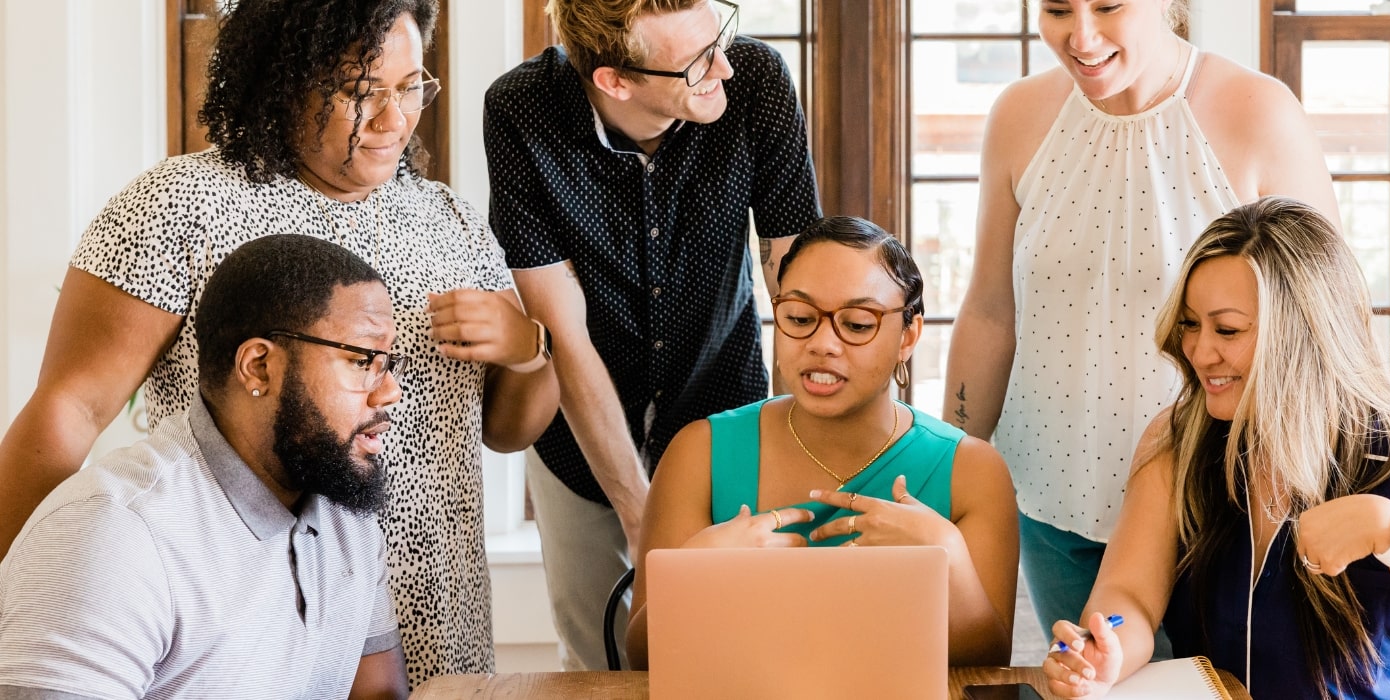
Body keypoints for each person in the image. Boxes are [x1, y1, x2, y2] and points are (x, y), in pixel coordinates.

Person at [0, 0, 558, 684]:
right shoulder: (178, 205)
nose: (395, 118)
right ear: (285, 76)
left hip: (435, 607)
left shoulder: (451, 221)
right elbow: (70, 409)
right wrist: (15, 591)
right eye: (361, 92)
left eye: (411, 86)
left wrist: (528, 348)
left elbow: (509, 430)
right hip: (253, 616)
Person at [941, 0, 1343, 645]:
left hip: (1215, 504)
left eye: (1108, 6)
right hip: (1051, 502)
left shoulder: (1257, 112)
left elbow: (1328, 320)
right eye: (1056, 10)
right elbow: (991, 309)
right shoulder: (1018, 116)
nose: (1082, 35)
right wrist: (951, 470)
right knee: (1093, 682)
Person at [484, 0, 821, 670]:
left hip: (723, 404)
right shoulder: (521, 109)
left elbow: (799, 286)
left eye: (718, 39)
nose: (722, 65)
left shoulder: (754, 79)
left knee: (737, 652)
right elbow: (562, 331)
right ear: (617, 80)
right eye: (697, 63)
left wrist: (808, 451)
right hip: (578, 432)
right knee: (599, 654)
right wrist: (642, 519)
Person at [1042, 198, 1390, 699]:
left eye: (1226, 329)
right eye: (1191, 324)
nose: (1199, 352)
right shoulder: (1177, 440)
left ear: (1303, 333)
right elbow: (1131, 597)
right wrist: (1106, 650)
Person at [0, 235, 411, 698]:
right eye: (361, 360)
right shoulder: (113, 533)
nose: (390, 390)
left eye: (388, 362)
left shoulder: (346, 517)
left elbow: (379, 694)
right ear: (258, 367)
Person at [624, 216, 1018, 669]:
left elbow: (988, 667)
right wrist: (696, 577)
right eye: (799, 318)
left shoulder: (973, 471)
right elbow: (642, 659)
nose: (822, 343)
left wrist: (947, 558)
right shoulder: (700, 453)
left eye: (855, 324)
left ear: (908, 337)